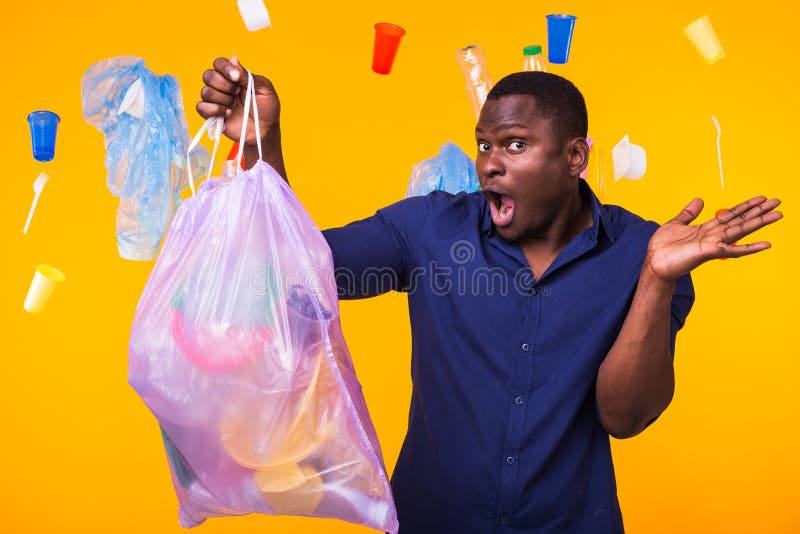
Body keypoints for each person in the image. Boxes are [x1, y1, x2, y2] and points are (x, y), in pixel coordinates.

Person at [196, 57, 782, 533]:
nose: (490, 165)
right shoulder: (429, 230)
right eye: (483, 146)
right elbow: (300, 268)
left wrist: (655, 280)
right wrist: (261, 144)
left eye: (515, 145)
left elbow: (625, 417)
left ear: (575, 157)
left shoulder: (641, 253)